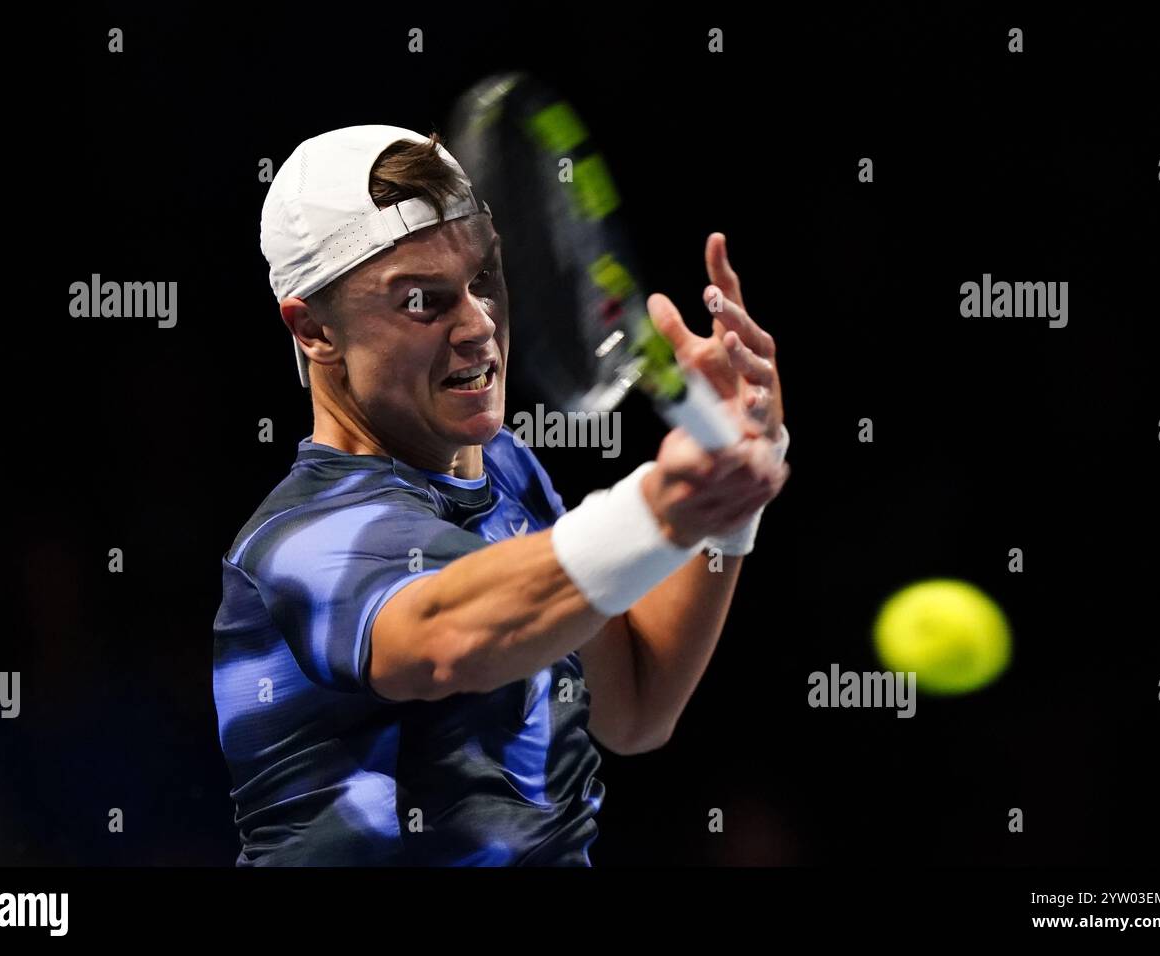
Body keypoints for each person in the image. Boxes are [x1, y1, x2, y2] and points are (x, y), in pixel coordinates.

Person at [212, 125, 789, 865]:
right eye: (424, 299)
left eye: (485, 277)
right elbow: (447, 640)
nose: (479, 323)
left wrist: (726, 506)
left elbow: (636, 708)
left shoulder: (506, 472)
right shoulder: (302, 540)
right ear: (315, 329)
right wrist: (657, 508)